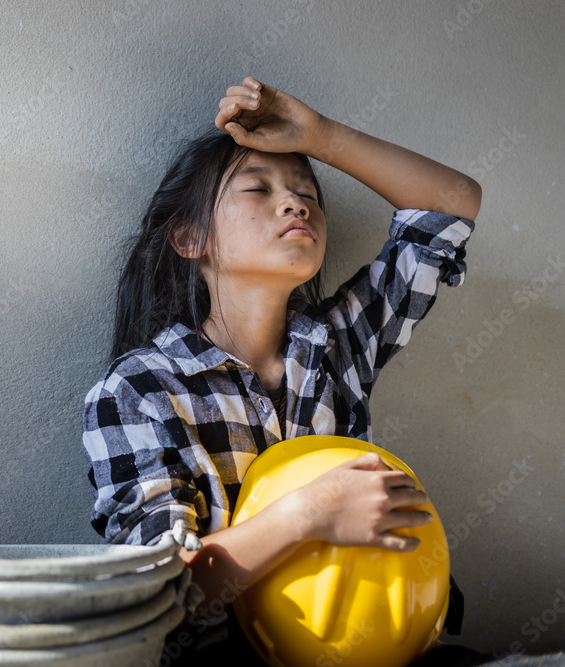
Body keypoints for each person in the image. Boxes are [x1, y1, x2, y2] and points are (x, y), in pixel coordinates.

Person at [81, 76, 485, 664]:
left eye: (307, 193)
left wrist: (318, 135)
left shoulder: (338, 346)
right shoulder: (137, 391)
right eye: (257, 188)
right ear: (192, 237)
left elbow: (450, 205)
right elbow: (158, 594)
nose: (295, 202)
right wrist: (314, 512)